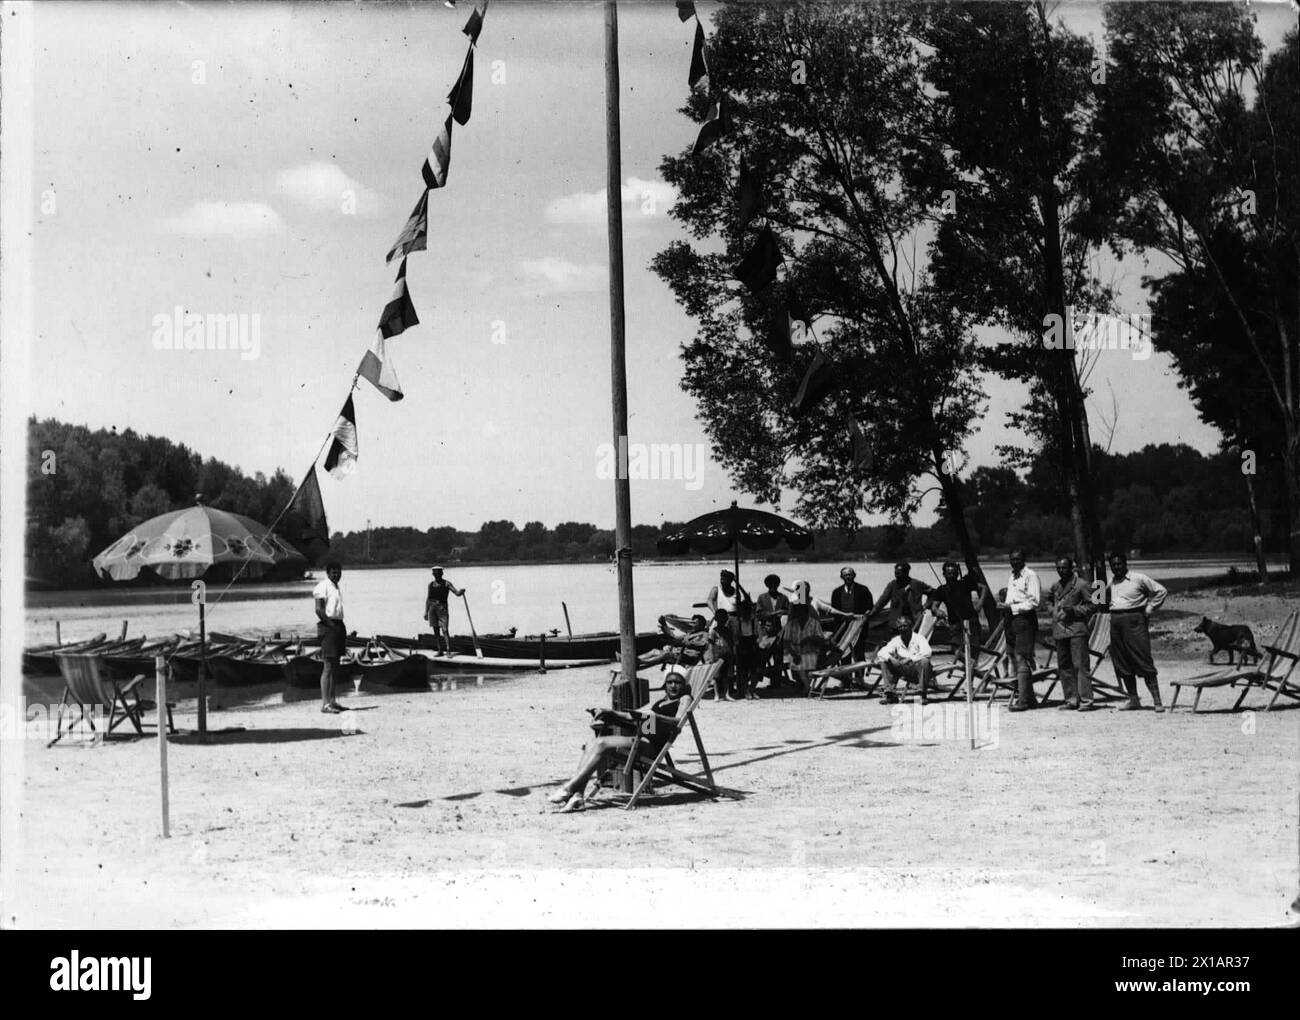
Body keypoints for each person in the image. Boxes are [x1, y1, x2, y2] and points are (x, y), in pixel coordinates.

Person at [547, 669, 693, 812]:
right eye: (670, 682)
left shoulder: (684, 698)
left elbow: (678, 721)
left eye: (677, 683)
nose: (673, 686)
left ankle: (569, 788)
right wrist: (608, 712)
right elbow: (631, 716)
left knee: (602, 744)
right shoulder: (660, 701)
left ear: (684, 685)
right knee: (590, 743)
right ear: (665, 684)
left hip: (651, 747)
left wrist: (653, 717)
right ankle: (578, 796)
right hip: (640, 740)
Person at [1105, 551, 1168, 711]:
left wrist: (1149, 608)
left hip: (1134, 620)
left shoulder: (1138, 578)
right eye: (1113, 565)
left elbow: (1161, 591)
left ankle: (1157, 701)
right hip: (1115, 621)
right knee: (1122, 661)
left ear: (1125, 564)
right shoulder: (1109, 581)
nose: (1116, 567)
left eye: (1119, 564)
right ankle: (1133, 699)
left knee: (1142, 658)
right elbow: (1098, 599)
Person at [1045, 555, 1095, 711]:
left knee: (1080, 666)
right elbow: (1047, 600)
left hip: (1077, 630)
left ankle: (1086, 700)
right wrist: (1052, 611)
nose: (1061, 571)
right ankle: (1071, 699)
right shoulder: (1055, 586)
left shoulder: (1081, 584)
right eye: (1058, 568)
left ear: (1071, 568)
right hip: (1060, 631)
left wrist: (1074, 610)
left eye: (1064, 567)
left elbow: (1092, 606)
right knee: (1064, 666)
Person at [997, 547, 1041, 711]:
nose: (1014, 562)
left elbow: (1034, 602)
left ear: (1024, 560)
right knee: (1014, 657)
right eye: (1012, 559)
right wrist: (1005, 606)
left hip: (1025, 620)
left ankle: (1022, 700)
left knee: (1021, 657)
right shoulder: (1012, 577)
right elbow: (1013, 599)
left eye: (1017, 559)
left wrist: (1013, 608)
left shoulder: (1031, 576)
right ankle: (1030, 699)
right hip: (1011, 620)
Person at [780, 581, 836, 694]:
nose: (804, 591)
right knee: (798, 659)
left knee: (805, 660)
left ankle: (805, 686)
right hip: (800, 642)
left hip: (812, 642)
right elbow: (791, 618)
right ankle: (804, 685)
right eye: (801, 590)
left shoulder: (813, 602)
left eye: (806, 589)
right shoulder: (794, 604)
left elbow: (829, 610)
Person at [926, 559, 989, 653]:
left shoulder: (965, 583)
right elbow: (934, 606)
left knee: (974, 650)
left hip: (972, 621)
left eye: (954, 573)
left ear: (957, 574)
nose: (952, 576)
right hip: (954, 624)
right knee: (957, 651)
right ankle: (969, 665)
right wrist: (937, 611)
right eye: (949, 574)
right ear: (944, 574)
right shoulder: (941, 589)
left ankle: (971, 665)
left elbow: (984, 588)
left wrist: (979, 604)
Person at [313, 561, 347, 714]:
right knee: (327, 665)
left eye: (339, 572)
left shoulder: (336, 587)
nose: (336, 575)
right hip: (329, 626)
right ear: (327, 573)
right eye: (334, 572)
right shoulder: (322, 586)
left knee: (336, 665)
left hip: (338, 625)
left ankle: (332, 700)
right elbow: (319, 610)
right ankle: (325, 704)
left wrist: (337, 627)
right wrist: (330, 625)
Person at [877, 613, 933, 704]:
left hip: (917, 670)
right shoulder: (896, 640)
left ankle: (920, 695)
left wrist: (910, 658)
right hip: (903, 669)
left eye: (905, 626)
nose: (902, 629)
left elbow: (927, 652)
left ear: (910, 626)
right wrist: (891, 659)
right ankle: (890, 695)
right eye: (900, 627)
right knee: (884, 661)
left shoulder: (919, 638)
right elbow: (881, 652)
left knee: (924, 661)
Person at [830, 567, 874, 662]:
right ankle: (846, 676)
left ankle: (859, 676)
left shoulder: (863, 590)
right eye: (845, 575)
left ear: (854, 576)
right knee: (844, 653)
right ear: (842, 577)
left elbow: (870, 607)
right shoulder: (836, 592)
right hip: (843, 628)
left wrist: (867, 613)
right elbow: (834, 612)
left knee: (859, 653)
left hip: (859, 627)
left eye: (850, 574)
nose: (848, 577)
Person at [873, 562, 934, 629]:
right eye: (895, 573)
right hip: (896, 623)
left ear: (906, 573)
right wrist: (873, 611)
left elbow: (933, 593)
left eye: (899, 574)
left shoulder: (917, 584)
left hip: (914, 622)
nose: (896, 576)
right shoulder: (892, 585)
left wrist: (926, 606)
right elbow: (882, 601)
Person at [756, 574, 791, 688]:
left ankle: (776, 682)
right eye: (770, 584)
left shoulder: (783, 598)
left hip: (778, 631)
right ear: (767, 585)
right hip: (765, 632)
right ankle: (757, 681)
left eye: (775, 584)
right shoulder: (762, 598)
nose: (773, 586)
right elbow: (759, 614)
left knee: (778, 658)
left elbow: (788, 612)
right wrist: (774, 614)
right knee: (763, 657)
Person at [424, 566, 465, 656]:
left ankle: (448, 650)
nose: (436, 575)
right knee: (436, 630)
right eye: (434, 573)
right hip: (432, 607)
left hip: (442, 608)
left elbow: (456, 593)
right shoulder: (430, 584)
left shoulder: (447, 583)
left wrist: (461, 592)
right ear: (433, 574)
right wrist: (426, 612)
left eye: (438, 573)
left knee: (445, 629)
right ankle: (440, 650)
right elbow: (428, 599)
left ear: (442, 573)